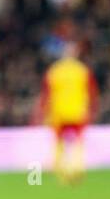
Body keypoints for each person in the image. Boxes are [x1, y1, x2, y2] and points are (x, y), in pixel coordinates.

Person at [38, 41, 97, 184]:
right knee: (78, 141)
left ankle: (60, 172)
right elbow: (92, 92)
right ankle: (77, 169)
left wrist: (43, 111)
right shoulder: (82, 70)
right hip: (78, 111)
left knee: (58, 142)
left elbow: (46, 94)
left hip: (58, 112)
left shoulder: (54, 70)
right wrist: (92, 109)